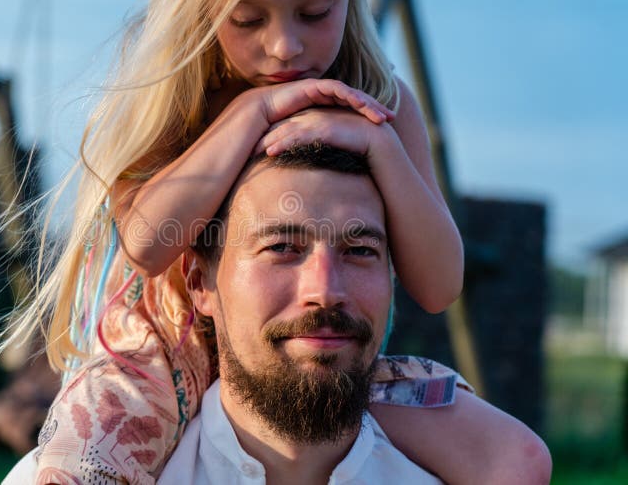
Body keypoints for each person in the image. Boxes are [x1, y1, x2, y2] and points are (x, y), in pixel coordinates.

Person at [0, 0, 545, 483]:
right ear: (202, 9)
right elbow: (146, 243)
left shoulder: (381, 103)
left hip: (318, 355)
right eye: (248, 19)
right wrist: (250, 114)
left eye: (315, 12)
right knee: (75, 472)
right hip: (155, 370)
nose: (286, 45)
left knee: (516, 458)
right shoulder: (181, 95)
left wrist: (379, 146)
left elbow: (440, 285)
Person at [157, 142, 551, 484]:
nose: (326, 291)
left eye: (360, 251)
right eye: (281, 248)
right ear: (198, 283)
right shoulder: (122, 470)